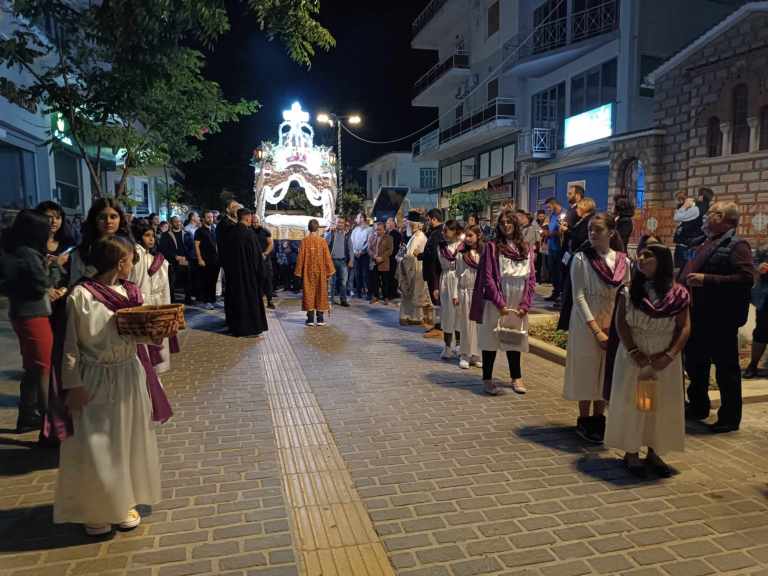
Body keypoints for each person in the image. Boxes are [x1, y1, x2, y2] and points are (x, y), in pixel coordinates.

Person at [53, 235, 170, 537]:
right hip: (94, 376)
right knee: (97, 444)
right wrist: (73, 384)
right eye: (132, 259)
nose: (134, 264)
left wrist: (157, 332)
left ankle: (122, 502)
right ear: (121, 262)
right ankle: (96, 508)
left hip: (128, 373)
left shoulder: (131, 291)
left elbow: (137, 335)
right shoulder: (81, 295)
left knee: (126, 439)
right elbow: (69, 345)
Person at [605, 241, 690, 477]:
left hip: (663, 357)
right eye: (640, 255)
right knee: (634, 403)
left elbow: (684, 327)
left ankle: (655, 450)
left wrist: (670, 355)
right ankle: (631, 451)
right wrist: (633, 351)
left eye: (648, 255)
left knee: (659, 405)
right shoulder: (628, 290)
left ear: (662, 260)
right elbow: (621, 323)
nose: (641, 259)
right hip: (636, 356)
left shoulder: (678, 294)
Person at [682, 201, 753, 433]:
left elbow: (745, 278)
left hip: (721, 318)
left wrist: (706, 279)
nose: (705, 217)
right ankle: (698, 406)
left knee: (726, 369)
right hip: (698, 314)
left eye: (710, 213)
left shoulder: (737, 245)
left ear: (721, 216)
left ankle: (729, 418)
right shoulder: (706, 242)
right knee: (695, 363)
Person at [563, 213, 630, 443]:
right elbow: (578, 296)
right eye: (590, 229)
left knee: (605, 370)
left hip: (612, 320)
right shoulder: (581, 259)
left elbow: (626, 295)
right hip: (586, 321)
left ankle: (599, 418)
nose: (592, 233)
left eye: (598, 229)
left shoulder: (623, 261)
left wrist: (617, 325)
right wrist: (596, 329)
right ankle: (584, 420)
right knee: (586, 368)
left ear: (611, 232)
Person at [0, 210, 64, 434]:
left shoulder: (17, 251)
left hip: (23, 313)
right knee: (44, 366)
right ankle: (50, 422)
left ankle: (29, 415)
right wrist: (55, 266)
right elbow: (41, 285)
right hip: (33, 314)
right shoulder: (27, 254)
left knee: (33, 367)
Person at [470, 210, 537, 396]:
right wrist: (500, 303)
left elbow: (531, 278)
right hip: (497, 299)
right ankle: (487, 378)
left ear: (516, 224)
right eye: (502, 222)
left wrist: (526, 304)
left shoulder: (525, 247)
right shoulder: (492, 247)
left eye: (509, 222)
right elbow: (488, 278)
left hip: (518, 299)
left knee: (514, 338)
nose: (506, 225)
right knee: (491, 339)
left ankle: (516, 377)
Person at [132, 219, 175, 374]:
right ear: (139, 236)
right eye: (147, 235)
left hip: (154, 301)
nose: (151, 239)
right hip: (142, 304)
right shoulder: (135, 257)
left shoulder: (153, 258)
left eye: (153, 236)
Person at [225, 209, 268, 337]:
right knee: (249, 302)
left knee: (236, 301)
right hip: (249, 276)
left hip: (234, 275)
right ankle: (249, 329)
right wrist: (261, 274)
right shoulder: (249, 234)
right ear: (248, 218)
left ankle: (236, 328)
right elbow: (256, 257)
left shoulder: (230, 233)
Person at [70, 198, 133, 285]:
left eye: (113, 217)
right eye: (102, 217)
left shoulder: (132, 249)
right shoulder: (81, 252)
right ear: (94, 220)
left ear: (120, 219)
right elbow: (75, 284)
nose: (108, 221)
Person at [295, 219, 335, 326]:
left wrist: (299, 272)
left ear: (309, 228)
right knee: (321, 293)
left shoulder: (304, 241)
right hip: (321, 272)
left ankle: (310, 319)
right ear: (317, 228)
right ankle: (320, 319)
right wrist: (330, 270)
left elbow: (300, 258)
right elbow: (327, 257)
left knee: (309, 293)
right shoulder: (322, 241)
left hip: (308, 272)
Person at [455, 225, 483, 370]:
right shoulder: (461, 254)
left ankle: (476, 354)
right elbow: (457, 274)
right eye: (466, 235)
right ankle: (464, 354)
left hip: (478, 292)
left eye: (471, 235)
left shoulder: (483, 253)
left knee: (478, 326)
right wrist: (456, 293)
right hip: (465, 291)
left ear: (478, 236)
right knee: (465, 324)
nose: (468, 238)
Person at [397, 211, 431, 326]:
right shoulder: (414, 236)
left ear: (414, 225)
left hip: (416, 270)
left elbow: (410, 257)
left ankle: (416, 317)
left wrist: (401, 259)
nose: (407, 226)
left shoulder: (419, 237)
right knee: (411, 294)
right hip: (413, 270)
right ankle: (409, 316)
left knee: (416, 294)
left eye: (409, 224)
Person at [437, 220, 463, 359]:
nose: (444, 233)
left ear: (455, 231)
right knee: (447, 313)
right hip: (446, 278)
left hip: (459, 278)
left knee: (459, 312)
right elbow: (436, 267)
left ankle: (459, 345)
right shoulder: (441, 246)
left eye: (446, 230)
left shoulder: (462, 246)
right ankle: (447, 346)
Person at [744, 241, 768, 379]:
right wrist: (758, 269)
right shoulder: (763, 250)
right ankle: (753, 365)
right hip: (765, 298)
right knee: (761, 332)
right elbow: (752, 267)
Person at [422, 208, 444, 338]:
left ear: (434, 219)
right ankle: (438, 325)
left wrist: (422, 255)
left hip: (434, 272)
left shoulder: (437, 234)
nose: (428, 222)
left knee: (437, 301)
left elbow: (435, 255)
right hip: (432, 272)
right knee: (436, 301)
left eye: (429, 220)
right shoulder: (435, 232)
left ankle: (440, 327)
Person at [158, 216, 188, 303]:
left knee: (187, 280)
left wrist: (186, 257)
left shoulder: (186, 234)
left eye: (179, 221)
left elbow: (190, 247)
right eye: (175, 222)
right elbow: (163, 249)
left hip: (185, 260)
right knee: (171, 282)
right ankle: (172, 299)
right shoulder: (166, 235)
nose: (178, 223)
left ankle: (188, 298)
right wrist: (175, 256)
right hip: (172, 262)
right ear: (171, 223)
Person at [194, 210, 220, 310]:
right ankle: (207, 301)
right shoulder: (199, 231)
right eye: (208, 217)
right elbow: (196, 246)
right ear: (203, 219)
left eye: (212, 217)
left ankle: (213, 300)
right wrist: (200, 259)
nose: (211, 219)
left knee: (214, 281)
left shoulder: (214, 229)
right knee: (206, 281)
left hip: (216, 260)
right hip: (205, 260)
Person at [325, 216, 353, 307]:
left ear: (344, 224)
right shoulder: (331, 233)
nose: (340, 224)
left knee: (343, 282)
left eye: (342, 222)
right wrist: (329, 231)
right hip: (331, 261)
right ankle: (330, 300)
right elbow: (325, 243)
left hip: (343, 261)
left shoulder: (346, 235)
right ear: (335, 223)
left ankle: (343, 300)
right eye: (338, 222)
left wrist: (351, 260)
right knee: (332, 282)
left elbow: (350, 249)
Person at [252, 215, 275, 309]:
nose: (255, 224)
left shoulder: (265, 231)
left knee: (268, 280)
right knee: (257, 281)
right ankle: (257, 301)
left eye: (256, 222)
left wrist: (265, 253)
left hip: (265, 261)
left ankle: (270, 301)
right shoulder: (249, 231)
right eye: (253, 222)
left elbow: (271, 244)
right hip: (254, 261)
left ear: (260, 221)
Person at [371, 221, 394, 305]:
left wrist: (382, 258)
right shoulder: (372, 237)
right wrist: (374, 256)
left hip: (384, 263)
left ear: (384, 230)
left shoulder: (389, 238)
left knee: (385, 281)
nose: (378, 231)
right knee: (375, 281)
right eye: (377, 230)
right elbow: (369, 248)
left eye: (380, 230)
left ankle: (385, 297)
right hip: (374, 262)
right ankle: (375, 296)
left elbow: (390, 250)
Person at [351, 213, 371, 299]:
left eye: (358, 217)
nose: (356, 219)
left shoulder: (369, 229)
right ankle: (358, 292)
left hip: (365, 255)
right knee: (357, 274)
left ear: (362, 219)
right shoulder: (355, 229)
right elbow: (351, 241)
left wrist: (362, 251)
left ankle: (367, 293)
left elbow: (368, 242)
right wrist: (355, 251)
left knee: (365, 274)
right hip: (355, 255)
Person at [182, 212, 200, 304]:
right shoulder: (187, 229)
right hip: (191, 257)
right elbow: (188, 245)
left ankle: (196, 296)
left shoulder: (197, 228)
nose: (199, 218)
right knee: (190, 278)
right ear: (192, 218)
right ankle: (189, 297)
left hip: (197, 256)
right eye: (197, 216)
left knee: (196, 278)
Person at [386, 217, 402, 300]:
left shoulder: (396, 234)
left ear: (392, 223)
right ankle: (390, 292)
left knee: (392, 276)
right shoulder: (388, 233)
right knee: (389, 276)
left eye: (388, 223)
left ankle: (391, 293)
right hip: (388, 258)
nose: (386, 224)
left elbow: (395, 247)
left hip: (393, 258)